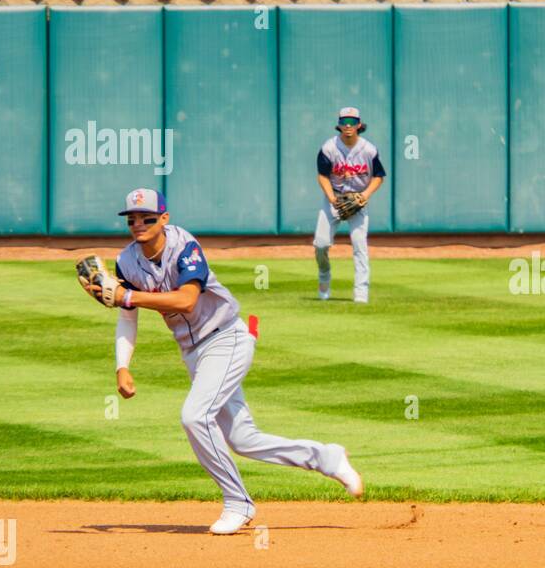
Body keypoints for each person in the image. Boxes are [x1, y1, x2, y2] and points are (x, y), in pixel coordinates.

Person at [84, 188, 364, 535]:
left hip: (227, 338)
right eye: (132, 219)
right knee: (244, 439)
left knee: (194, 416)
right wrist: (121, 365)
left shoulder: (184, 246)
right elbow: (127, 315)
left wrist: (128, 295)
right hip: (194, 352)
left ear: (164, 219)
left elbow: (186, 301)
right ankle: (327, 457)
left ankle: (238, 503)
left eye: (147, 218)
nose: (139, 223)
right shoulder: (127, 261)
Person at [314, 106, 385, 302]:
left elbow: (379, 177)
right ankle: (324, 277)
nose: (348, 125)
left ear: (359, 125)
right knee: (321, 245)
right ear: (338, 125)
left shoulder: (369, 150)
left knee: (359, 245)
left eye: (352, 122)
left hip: (359, 201)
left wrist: (365, 196)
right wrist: (331, 199)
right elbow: (322, 176)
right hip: (334, 198)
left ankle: (361, 294)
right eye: (344, 121)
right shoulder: (329, 148)